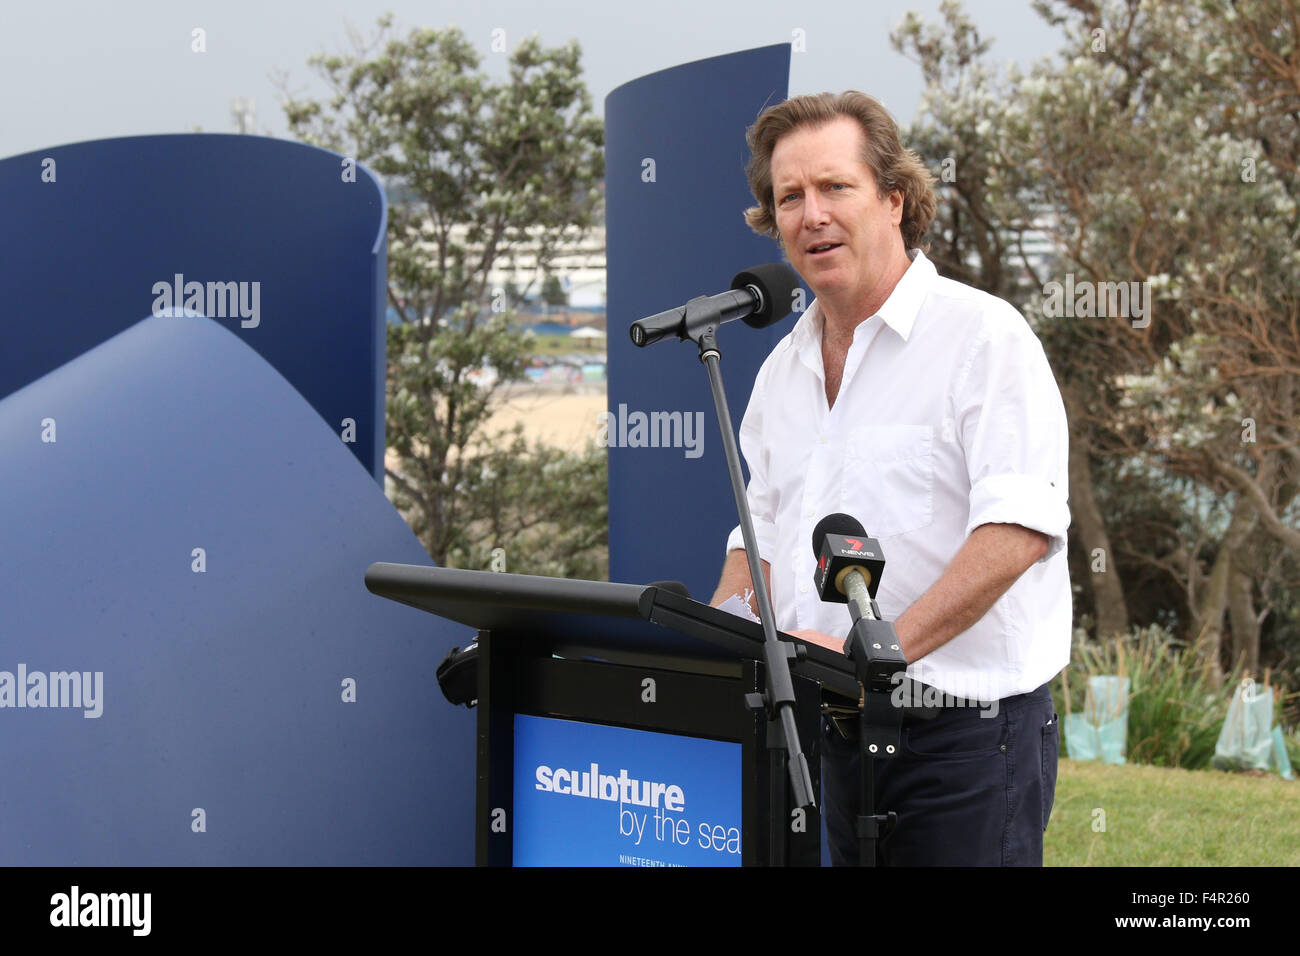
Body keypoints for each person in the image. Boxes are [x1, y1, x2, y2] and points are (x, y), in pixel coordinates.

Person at [709, 91, 1071, 866]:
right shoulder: (780, 373)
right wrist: (717, 646)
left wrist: (867, 659)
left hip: (968, 741)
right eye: (790, 197)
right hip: (833, 733)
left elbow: (1015, 534)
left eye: (835, 187)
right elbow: (761, 537)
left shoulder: (985, 338)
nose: (812, 215)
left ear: (895, 199)